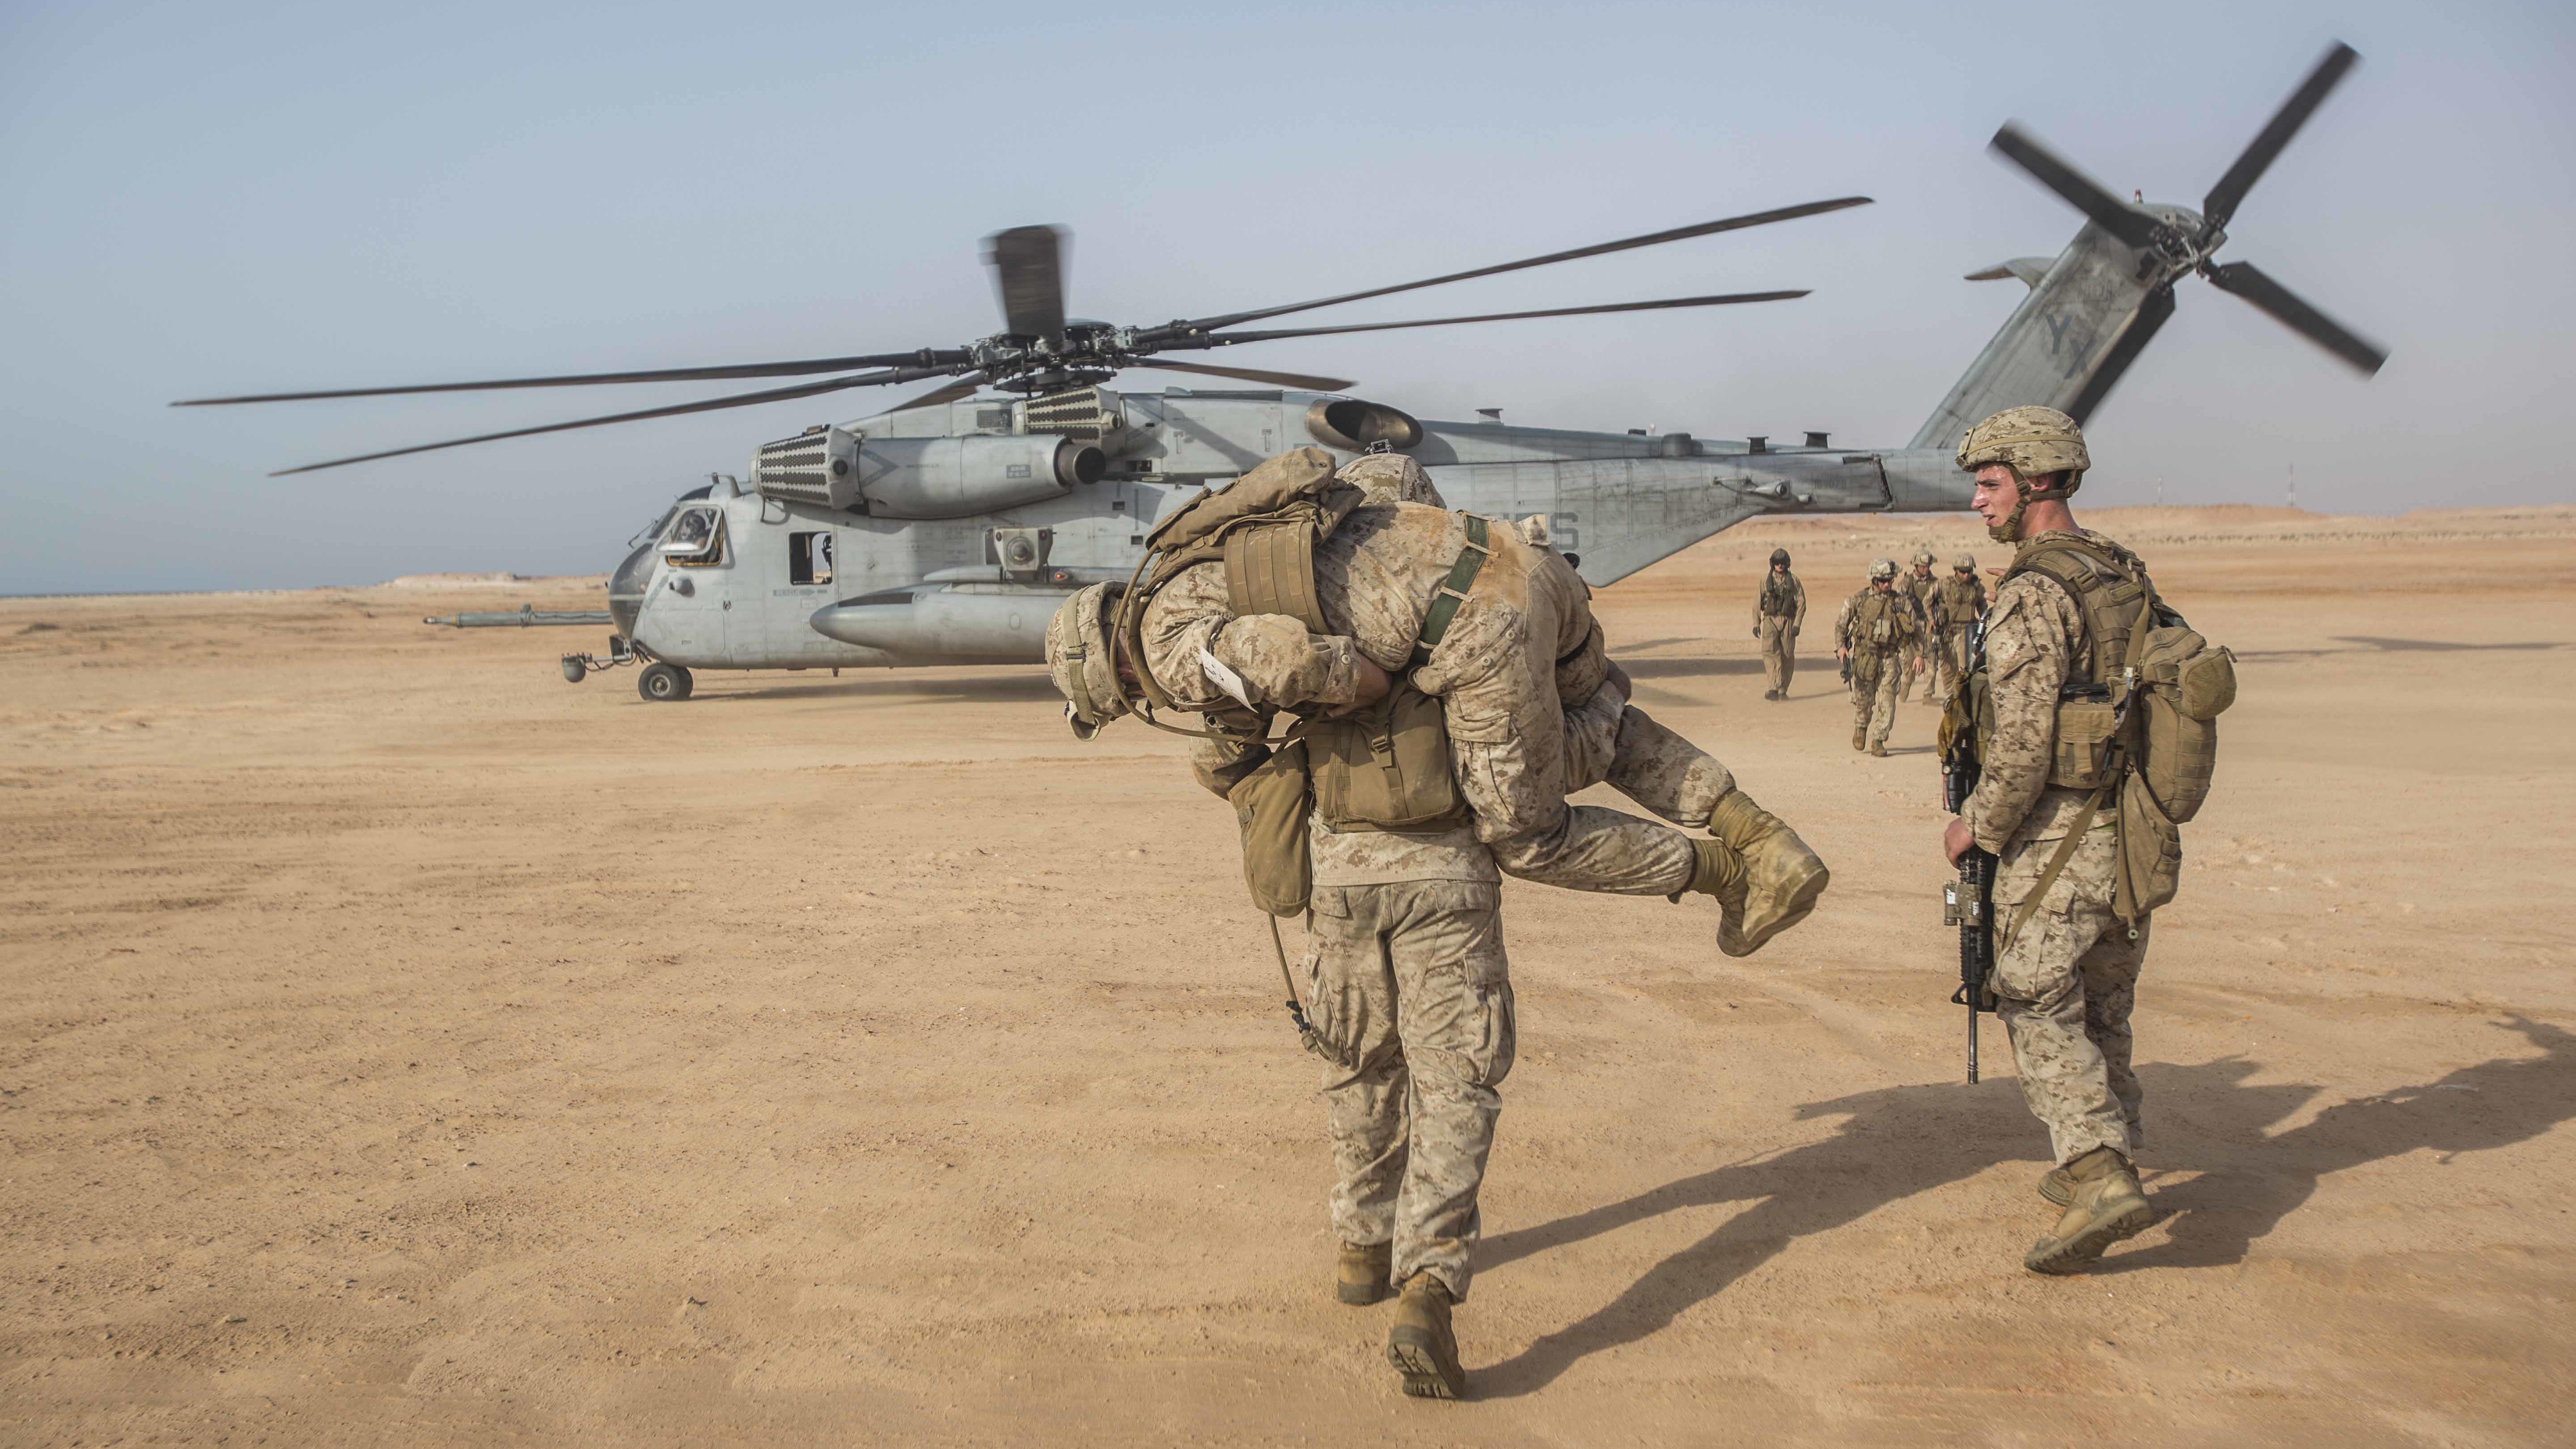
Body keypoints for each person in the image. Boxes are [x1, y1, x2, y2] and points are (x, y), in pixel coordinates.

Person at [1051, 448, 1829, 957]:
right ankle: (1763, 837)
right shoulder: (1205, 549)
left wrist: (1370, 685)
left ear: (1111, 678)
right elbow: (1394, 473)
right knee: (1595, 726)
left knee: (1527, 835)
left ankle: (1727, 874)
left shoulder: (1162, 643)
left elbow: (1286, 661)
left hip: (1480, 636)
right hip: (1524, 563)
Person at [1184, 716, 1503, 1400]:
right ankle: (1427, 1288)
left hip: (1340, 886)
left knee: (1357, 1069)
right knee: (1454, 1085)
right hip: (1445, 873)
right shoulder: (1455, 624)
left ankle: (1364, 1247)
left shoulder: (1307, 641)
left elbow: (1218, 756)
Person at [1939, 405, 2161, 1274]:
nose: (1975, 503)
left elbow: (2026, 741)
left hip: (2065, 831)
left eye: (1988, 485)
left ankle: (2098, 1171)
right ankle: (2112, 1157)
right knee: (2101, 1003)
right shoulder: (2117, 572)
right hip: (2133, 828)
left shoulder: (2035, 591)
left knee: (2030, 991)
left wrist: (1975, 828)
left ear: (2035, 483)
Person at [1834, 558, 1918, 757]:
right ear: (1873, 580)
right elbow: (1841, 625)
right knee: (1864, 700)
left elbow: (1916, 631)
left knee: (1888, 701)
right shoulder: (1858, 601)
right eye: (1883, 581)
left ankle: (1879, 739)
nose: (1888, 584)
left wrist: (1920, 655)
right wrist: (1841, 647)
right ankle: (1861, 726)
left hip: (1890, 658)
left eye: (1890, 580)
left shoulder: (1900, 602)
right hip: (1865, 658)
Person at [1927, 552, 1987, 703]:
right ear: (1956, 571)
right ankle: (1950, 699)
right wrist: (1931, 620)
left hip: (1967, 631)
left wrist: (1984, 626)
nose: (1966, 575)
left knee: (1965, 668)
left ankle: (1963, 700)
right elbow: (1927, 602)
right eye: (1963, 572)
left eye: (1969, 572)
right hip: (1946, 631)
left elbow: (1983, 609)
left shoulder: (1977, 588)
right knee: (1947, 668)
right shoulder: (1943, 585)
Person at [1751, 547, 1806, 701]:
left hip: (1788, 621)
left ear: (1787, 564)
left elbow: (1801, 603)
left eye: (1783, 563)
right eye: (1777, 563)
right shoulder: (1765, 581)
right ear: (1773, 564)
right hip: (1770, 620)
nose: (1780, 566)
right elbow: (1757, 603)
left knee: (1787, 655)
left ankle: (1783, 689)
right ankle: (1773, 688)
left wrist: (1797, 624)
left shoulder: (1794, 581)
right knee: (1770, 653)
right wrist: (1756, 624)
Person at [1897, 550, 1939, 702]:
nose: (1926, 569)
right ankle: (1904, 692)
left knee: (1932, 660)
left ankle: (1928, 694)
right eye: (1922, 566)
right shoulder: (1907, 583)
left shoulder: (1935, 583)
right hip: (1911, 628)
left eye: (1928, 566)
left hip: (1929, 625)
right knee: (1909, 665)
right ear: (1916, 566)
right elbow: (1899, 603)